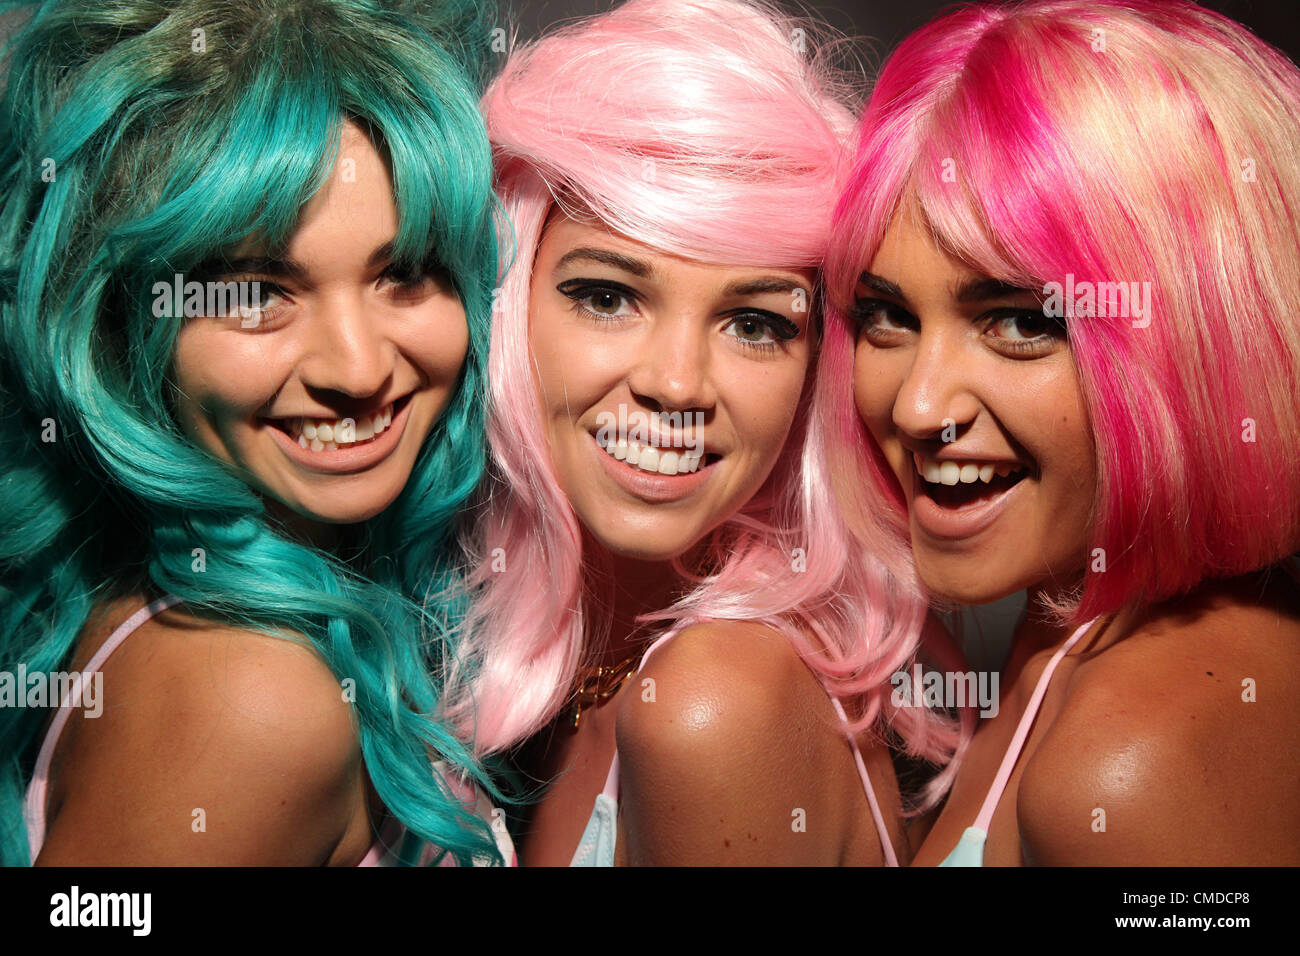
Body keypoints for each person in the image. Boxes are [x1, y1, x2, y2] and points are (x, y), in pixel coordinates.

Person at [439, 0, 962, 866]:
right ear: (509, 299)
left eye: (754, 323)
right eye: (607, 297)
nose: (676, 384)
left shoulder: (718, 700)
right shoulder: (544, 654)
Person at [0, 0, 512, 865]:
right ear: (125, 328)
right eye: (254, 291)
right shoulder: (255, 699)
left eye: (406, 272)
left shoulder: (214, 602)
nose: (356, 369)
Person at [821, 0, 1300, 864]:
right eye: (887, 314)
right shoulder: (1059, 628)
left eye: (1020, 322)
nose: (918, 406)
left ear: (1200, 344)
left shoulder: (1126, 769)